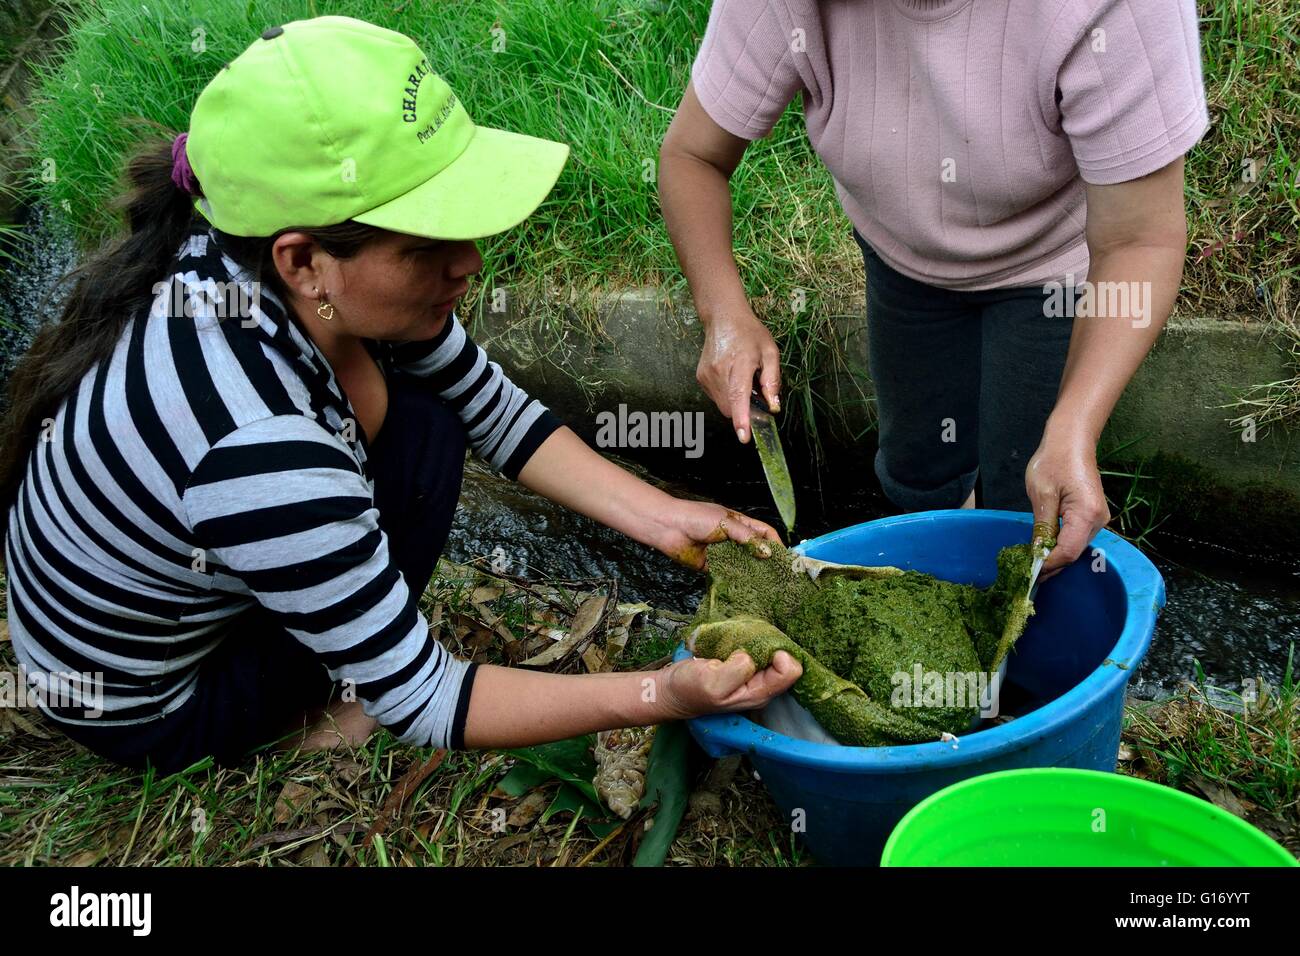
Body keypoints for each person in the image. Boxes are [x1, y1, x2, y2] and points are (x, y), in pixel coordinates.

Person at [0, 15, 801, 777]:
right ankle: (306, 725)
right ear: (303, 260)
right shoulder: (259, 447)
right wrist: (667, 694)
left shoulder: (254, 253)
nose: (470, 263)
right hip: (157, 705)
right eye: (428, 246)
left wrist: (669, 521)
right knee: (420, 445)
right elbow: (427, 697)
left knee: (422, 416)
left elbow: (492, 407)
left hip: (148, 616)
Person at [659, 0, 1210, 575]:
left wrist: (1077, 424)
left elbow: (1138, 242)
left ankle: (1019, 636)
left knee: (1030, 508)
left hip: (1050, 273)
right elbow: (694, 154)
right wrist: (723, 312)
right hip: (899, 254)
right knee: (918, 474)